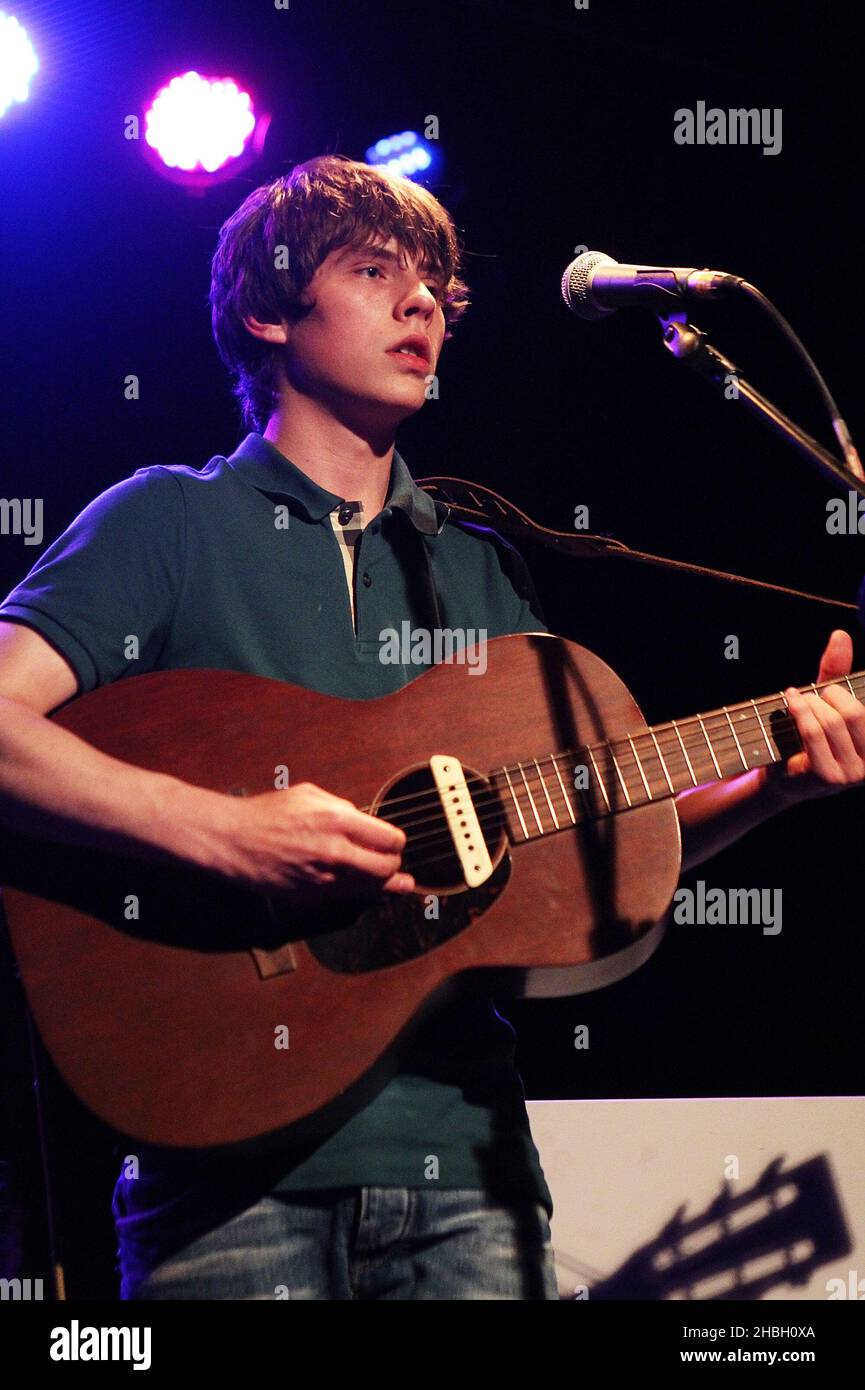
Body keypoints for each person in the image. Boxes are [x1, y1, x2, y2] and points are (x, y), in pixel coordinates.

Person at [0, 155, 862, 1301]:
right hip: (221, 1178)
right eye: (374, 273)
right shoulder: (168, 521)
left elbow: (581, 848)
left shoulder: (478, 565)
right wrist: (226, 831)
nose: (422, 306)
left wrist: (774, 788)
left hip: (467, 1171)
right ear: (267, 308)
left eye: (437, 291)